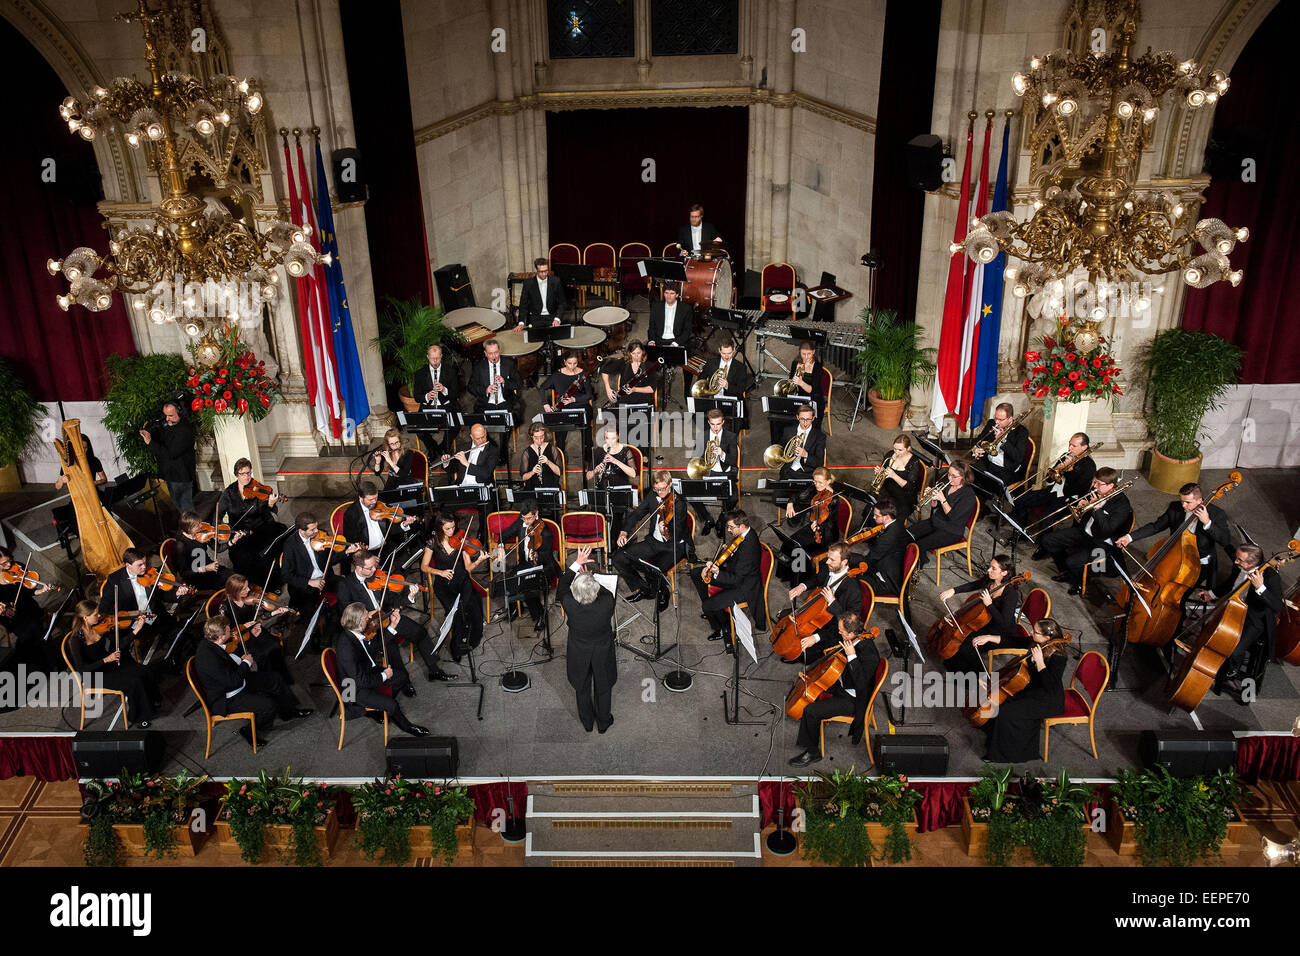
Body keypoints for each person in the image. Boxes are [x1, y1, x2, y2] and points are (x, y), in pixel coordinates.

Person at [194, 617, 312, 749]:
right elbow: (232, 682)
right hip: (228, 697)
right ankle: (249, 731)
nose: (232, 632)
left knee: (275, 679)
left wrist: (244, 657)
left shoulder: (210, 643)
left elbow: (228, 662)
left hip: (237, 681)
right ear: (221, 636)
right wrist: (246, 663)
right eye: (229, 631)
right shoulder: (208, 658)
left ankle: (288, 711)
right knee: (268, 706)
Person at [336, 548, 453, 682]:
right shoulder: (345, 585)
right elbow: (346, 615)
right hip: (370, 628)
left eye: (375, 565)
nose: (374, 570)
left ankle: (434, 670)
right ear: (358, 568)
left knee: (420, 632)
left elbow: (392, 599)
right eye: (370, 568)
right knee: (391, 649)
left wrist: (409, 596)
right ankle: (404, 682)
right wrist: (368, 615)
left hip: (388, 617)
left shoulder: (377, 576)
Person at [787, 612, 881, 768]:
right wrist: (812, 674)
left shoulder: (869, 654)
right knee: (810, 684)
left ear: (851, 633)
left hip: (852, 698)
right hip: (842, 680)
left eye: (842, 631)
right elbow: (832, 640)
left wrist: (852, 657)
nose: (839, 633)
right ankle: (810, 733)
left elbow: (862, 685)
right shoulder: (854, 636)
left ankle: (813, 752)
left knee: (811, 710)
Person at [1201, 544, 1284, 704]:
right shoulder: (1239, 567)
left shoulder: (1271, 576)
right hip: (1234, 610)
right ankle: (1217, 668)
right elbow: (1230, 584)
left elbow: (1277, 606)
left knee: (1234, 649)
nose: (1236, 562)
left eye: (1240, 560)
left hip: (1255, 620)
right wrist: (1211, 594)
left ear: (1252, 564)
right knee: (1213, 632)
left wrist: (1260, 588)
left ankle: (1233, 669)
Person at [336, 602, 430, 738]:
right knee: (392, 705)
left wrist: (392, 626)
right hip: (354, 689)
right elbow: (360, 681)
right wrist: (384, 676)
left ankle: (379, 705)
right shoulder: (346, 648)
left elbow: (376, 646)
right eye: (365, 616)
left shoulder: (356, 633)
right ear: (358, 621)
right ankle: (408, 727)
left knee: (402, 677)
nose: (369, 617)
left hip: (366, 672)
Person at [1115, 482, 1232, 588]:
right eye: (1182, 501)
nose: (1183, 506)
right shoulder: (1175, 507)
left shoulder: (1216, 514)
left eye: (1188, 502)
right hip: (1174, 553)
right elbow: (1156, 526)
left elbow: (1225, 540)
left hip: (1197, 562)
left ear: (1200, 500)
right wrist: (1129, 537)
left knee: (1178, 594)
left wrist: (1207, 522)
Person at [1035, 466, 1131, 595]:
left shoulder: (1122, 505)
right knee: (1048, 540)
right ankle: (1067, 572)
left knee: (1072, 561)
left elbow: (1107, 530)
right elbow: (1087, 518)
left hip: (1101, 542)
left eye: (1098, 484)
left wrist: (1097, 509)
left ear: (1111, 485)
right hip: (1085, 532)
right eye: (1094, 482)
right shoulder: (1097, 491)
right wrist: (1084, 507)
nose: (1094, 486)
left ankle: (1080, 583)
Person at [983, 617, 1067, 763]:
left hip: (1048, 699)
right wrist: (989, 638)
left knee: (1007, 712)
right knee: (1000, 701)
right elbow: (1015, 641)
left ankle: (1006, 755)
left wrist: (1040, 663)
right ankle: (994, 738)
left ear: (1047, 637)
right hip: (1032, 687)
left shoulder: (1059, 657)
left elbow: (1050, 686)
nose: (1031, 633)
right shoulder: (1037, 643)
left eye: (1035, 632)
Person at [67, 600, 160, 728]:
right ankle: (139, 717)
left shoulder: (100, 627)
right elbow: (82, 669)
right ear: (85, 617)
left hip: (108, 664)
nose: (99, 616)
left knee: (144, 670)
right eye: (95, 614)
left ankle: (152, 702)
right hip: (95, 675)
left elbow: (118, 646)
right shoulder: (76, 640)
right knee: (133, 682)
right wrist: (105, 660)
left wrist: (137, 629)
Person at [612, 470, 692, 613]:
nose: (660, 492)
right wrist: (623, 532)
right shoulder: (652, 495)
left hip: (673, 545)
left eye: (663, 489)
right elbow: (637, 514)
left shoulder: (679, 502)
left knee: (654, 569)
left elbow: (678, 530)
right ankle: (645, 589)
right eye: (657, 489)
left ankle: (663, 592)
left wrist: (666, 530)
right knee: (618, 558)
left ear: (670, 484)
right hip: (654, 542)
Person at [559, 546, 617, 733]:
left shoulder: (569, 603)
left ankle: (586, 722)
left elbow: (561, 587)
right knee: (603, 685)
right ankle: (603, 721)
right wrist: (590, 578)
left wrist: (577, 566)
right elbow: (606, 591)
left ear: (575, 592)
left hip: (579, 650)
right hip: (602, 648)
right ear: (595, 590)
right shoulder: (607, 603)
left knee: (582, 686)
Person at [691, 509, 765, 651]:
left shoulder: (749, 547)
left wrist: (717, 572)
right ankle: (714, 612)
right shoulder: (743, 535)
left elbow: (736, 580)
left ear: (741, 526)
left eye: (731, 527)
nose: (729, 530)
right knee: (696, 573)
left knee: (707, 605)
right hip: (735, 572)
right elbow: (730, 556)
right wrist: (713, 565)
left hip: (744, 586)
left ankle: (722, 628)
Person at [421, 513, 490, 663]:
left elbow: (468, 567)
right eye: (448, 528)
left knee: (473, 608)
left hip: (463, 581)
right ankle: (456, 647)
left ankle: (472, 640)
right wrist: (440, 572)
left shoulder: (461, 540)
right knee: (456, 614)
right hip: (444, 586)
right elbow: (424, 566)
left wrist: (478, 560)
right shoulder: (433, 543)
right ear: (440, 528)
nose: (452, 531)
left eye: (453, 527)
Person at [782, 540, 866, 664]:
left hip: (833, 628)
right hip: (817, 613)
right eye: (828, 558)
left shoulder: (854, 591)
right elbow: (817, 579)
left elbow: (848, 624)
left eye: (832, 560)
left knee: (805, 651)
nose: (827, 562)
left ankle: (798, 654)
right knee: (785, 618)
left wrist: (815, 637)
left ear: (844, 562)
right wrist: (802, 586)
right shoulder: (828, 568)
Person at [937, 555, 1023, 673]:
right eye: (990, 567)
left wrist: (989, 605)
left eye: (993, 568)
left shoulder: (1011, 594)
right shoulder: (991, 579)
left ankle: (979, 676)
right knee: (963, 640)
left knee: (969, 642)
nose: (988, 570)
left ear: (1004, 573)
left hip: (999, 632)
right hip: (987, 621)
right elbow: (975, 584)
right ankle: (955, 666)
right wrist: (953, 590)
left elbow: (1004, 624)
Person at [98, 547, 194, 646]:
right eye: (140, 565)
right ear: (128, 565)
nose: (144, 567)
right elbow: (104, 607)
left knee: (182, 636)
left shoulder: (150, 573)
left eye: (145, 563)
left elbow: (162, 595)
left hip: (156, 615)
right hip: (134, 624)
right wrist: (125, 616)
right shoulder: (114, 580)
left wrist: (177, 594)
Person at [280, 512, 358, 626]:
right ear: (301, 531)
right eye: (312, 530)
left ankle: (347, 621)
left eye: (316, 527)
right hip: (305, 586)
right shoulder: (290, 545)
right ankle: (314, 636)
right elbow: (286, 575)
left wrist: (346, 552)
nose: (316, 531)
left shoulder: (321, 535)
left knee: (346, 585)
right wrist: (309, 582)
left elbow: (329, 561)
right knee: (309, 617)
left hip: (326, 577)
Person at [217, 458, 287, 583]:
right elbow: (218, 514)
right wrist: (223, 529)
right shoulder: (228, 493)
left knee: (269, 549)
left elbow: (263, 515)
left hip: (259, 528)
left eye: (249, 473)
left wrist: (270, 505)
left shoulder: (258, 489)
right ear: (236, 474)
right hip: (239, 533)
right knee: (242, 557)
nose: (247, 477)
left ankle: (271, 583)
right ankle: (249, 585)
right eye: (243, 474)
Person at [494, 501, 559, 631]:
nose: (526, 521)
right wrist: (500, 547)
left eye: (529, 518)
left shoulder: (544, 531)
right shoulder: (521, 522)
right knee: (508, 579)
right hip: (524, 564)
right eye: (524, 518)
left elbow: (546, 555)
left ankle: (540, 615)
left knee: (527, 584)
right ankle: (513, 609)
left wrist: (536, 556)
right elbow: (503, 535)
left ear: (536, 514)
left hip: (543, 566)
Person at [1009, 431, 1095, 530]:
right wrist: (1058, 468)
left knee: (1047, 517)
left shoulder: (1089, 465)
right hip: (1053, 491)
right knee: (1021, 499)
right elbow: (1049, 479)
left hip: (1069, 498)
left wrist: (1069, 471)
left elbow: (1078, 490)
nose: (1069, 448)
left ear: (1084, 447)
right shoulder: (1066, 455)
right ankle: (1019, 531)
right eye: (1069, 444)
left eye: (1073, 446)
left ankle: (1042, 543)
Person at [219, 573, 297, 681]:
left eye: (247, 586)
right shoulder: (225, 606)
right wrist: (243, 626)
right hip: (240, 636)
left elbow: (260, 617)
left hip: (256, 629)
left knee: (274, 645)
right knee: (262, 655)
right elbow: (225, 631)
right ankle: (265, 681)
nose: (248, 590)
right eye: (244, 589)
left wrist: (275, 612)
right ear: (236, 591)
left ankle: (281, 676)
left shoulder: (250, 598)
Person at [908, 459, 978, 570]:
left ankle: (916, 568)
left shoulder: (968, 496)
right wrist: (933, 498)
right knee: (909, 533)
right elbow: (936, 506)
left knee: (921, 544)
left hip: (951, 531)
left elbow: (953, 517)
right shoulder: (948, 485)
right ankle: (912, 560)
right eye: (949, 474)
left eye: (954, 476)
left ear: (964, 477)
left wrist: (943, 499)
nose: (950, 478)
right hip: (937, 521)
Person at [0, 547, 55, 679]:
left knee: (33, 630)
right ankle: (46, 662)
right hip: (11, 617)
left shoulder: (18, 568)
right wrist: (4, 610)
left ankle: (49, 664)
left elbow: (28, 591)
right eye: (4, 563)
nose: (9, 565)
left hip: (28, 608)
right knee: (31, 633)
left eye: (10, 560)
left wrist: (40, 591)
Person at [778, 466, 837, 583]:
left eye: (820, 482)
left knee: (799, 548)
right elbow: (799, 497)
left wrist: (819, 526)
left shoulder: (834, 499)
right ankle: (787, 574)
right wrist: (790, 503)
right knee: (789, 542)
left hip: (825, 533)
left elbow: (831, 523)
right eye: (815, 481)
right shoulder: (815, 489)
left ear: (828, 481)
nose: (817, 485)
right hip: (812, 526)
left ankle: (800, 579)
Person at [469, 339, 523, 464]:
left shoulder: (509, 363)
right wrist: (486, 390)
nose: (494, 356)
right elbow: (470, 387)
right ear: (485, 353)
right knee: (475, 427)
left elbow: (518, 384)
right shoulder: (479, 366)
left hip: (505, 401)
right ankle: (492, 447)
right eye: (491, 353)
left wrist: (505, 382)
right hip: (485, 403)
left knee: (507, 423)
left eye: (496, 352)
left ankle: (503, 453)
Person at [689, 409, 739, 538]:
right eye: (712, 424)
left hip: (725, 473)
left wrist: (722, 453)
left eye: (718, 424)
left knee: (733, 498)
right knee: (691, 495)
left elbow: (733, 460)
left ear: (723, 422)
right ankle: (707, 518)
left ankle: (721, 522)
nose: (715, 427)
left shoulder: (731, 436)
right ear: (708, 422)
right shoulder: (702, 436)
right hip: (708, 472)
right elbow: (695, 457)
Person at [140, 402, 197, 516]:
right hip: (171, 475)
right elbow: (160, 438)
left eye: (170, 415)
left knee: (186, 509)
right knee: (178, 506)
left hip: (181, 477)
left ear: (179, 413)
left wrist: (150, 442)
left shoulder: (184, 430)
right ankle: (188, 530)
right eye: (166, 415)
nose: (167, 419)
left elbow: (171, 453)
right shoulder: (169, 425)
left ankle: (195, 531)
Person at [540, 351, 594, 467]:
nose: (572, 367)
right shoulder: (556, 375)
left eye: (575, 363)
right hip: (563, 407)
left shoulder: (583, 374)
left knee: (587, 428)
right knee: (560, 431)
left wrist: (574, 399)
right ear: (564, 362)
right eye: (569, 363)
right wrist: (545, 404)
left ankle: (588, 455)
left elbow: (589, 395)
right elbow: (542, 388)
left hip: (582, 405)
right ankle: (559, 455)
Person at [341, 480, 418, 561]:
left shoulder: (381, 503)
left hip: (385, 546)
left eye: (376, 498)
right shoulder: (351, 514)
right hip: (366, 551)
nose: (374, 502)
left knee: (405, 560)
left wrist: (404, 524)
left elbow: (390, 528)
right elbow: (351, 541)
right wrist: (365, 554)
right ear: (361, 498)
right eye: (370, 499)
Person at [770, 340, 825, 444]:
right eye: (803, 354)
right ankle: (781, 444)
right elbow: (791, 383)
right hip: (798, 397)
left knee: (807, 421)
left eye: (809, 354)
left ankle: (805, 442)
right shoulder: (795, 363)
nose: (806, 357)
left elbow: (812, 390)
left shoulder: (817, 366)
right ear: (800, 352)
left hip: (814, 399)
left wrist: (800, 382)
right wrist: (795, 378)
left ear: (813, 352)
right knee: (780, 419)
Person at [411, 344, 461, 458]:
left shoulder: (451, 371)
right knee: (419, 429)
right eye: (432, 358)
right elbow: (417, 397)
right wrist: (427, 397)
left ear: (441, 356)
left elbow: (456, 394)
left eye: (437, 358)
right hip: (428, 407)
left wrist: (444, 390)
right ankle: (432, 447)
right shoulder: (420, 373)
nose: (435, 361)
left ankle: (444, 448)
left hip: (446, 406)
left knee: (455, 427)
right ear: (428, 357)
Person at [586, 426, 639, 532]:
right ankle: (603, 543)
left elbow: (633, 474)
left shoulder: (625, 450)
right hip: (602, 489)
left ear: (618, 436)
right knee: (598, 518)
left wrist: (615, 461)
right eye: (607, 438)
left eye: (613, 438)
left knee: (616, 520)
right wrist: (595, 471)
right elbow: (588, 476)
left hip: (620, 491)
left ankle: (615, 543)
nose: (610, 442)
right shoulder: (598, 451)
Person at [176, 511, 244, 590]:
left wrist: (233, 540)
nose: (201, 526)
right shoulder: (181, 545)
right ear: (189, 528)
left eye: (200, 523)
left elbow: (218, 549)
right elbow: (184, 573)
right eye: (197, 525)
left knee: (235, 578)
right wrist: (205, 568)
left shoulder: (201, 533)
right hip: (198, 576)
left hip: (211, 566)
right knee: (232, 585)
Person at [969, 402, 1029, 490]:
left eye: (1000, 419)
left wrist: (1003, 440)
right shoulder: (991, 423)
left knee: (986, 487)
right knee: (968, 473)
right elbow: (978, 440)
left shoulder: (1021, 432)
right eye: (995, 418)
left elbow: (1017, 457)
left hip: (1005, 469)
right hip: (988, 463)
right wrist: (975, 449)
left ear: (1010, 418)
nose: (996, 422)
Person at [855, 500, 908, 598]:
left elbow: (872, 558)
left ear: (887, 517)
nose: (873, 517)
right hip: (891, 567)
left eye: (877, 516)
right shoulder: (897, 524)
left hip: (885, 581)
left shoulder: (888, 537)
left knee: (850, 579)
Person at [875, 435, 925, 519]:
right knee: (872, 510)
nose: (896, 452)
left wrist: (894, 476)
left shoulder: (914, 462)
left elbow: (910, 487)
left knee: (887, 515)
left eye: (900, 450)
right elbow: (883, 475)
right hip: (886, 490)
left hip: (903, 497)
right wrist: (879, 474)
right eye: (895, 449)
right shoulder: (890, 454)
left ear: (908, 448)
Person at [776, 405, 826, 482]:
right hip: (788, 471)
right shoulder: (788, 431)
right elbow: (780, 448)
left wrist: (806, 455)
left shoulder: (820, 436)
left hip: (807, 473)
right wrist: (780, 462)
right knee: (777, 494)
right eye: (802, 419)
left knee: (803, 494)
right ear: (797, 417)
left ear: (813, 418)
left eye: (808, 419)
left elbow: (819, 463)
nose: (805, 423)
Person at [516, 257, 566, 328]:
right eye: (541, 271)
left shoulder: (556, 281)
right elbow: (523, 304)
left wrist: (557, 319)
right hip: (535, 318)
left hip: (552, 318)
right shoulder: (528, 283)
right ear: (536, 270)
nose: (544, 274)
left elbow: (562, 303)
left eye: (546, 271)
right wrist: (521, 323)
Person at [370, 427, 423, 492]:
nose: (395, 446)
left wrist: (390, 461)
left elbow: (403, 475)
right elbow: (377, 473)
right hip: (391, 485)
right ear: (388, 445)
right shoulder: (387, 453)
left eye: (397, 442)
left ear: (400, 441)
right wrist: (378, 461)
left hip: (406, 484)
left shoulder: (409, 453)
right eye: (392, 444)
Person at [520, 424, 564, 494]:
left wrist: (548, 462)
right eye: (536, 438)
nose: (539, 440)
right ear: (531, 437)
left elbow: (559, 472)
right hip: (532, 488)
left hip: (550, 487)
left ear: (545, 435)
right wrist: (533, 472)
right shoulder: (527, 452)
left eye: (542, 437)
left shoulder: (552, 449)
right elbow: (523, 477)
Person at [647, 282, 690, 348]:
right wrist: (652, 341)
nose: (668, 296)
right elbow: (652, 327)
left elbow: (687, 331)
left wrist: (675, 343)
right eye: (666, 293)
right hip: (658, 340)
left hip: (677, 341)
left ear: (677, 295)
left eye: (672, 293)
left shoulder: (685, 308)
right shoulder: (656, 307)